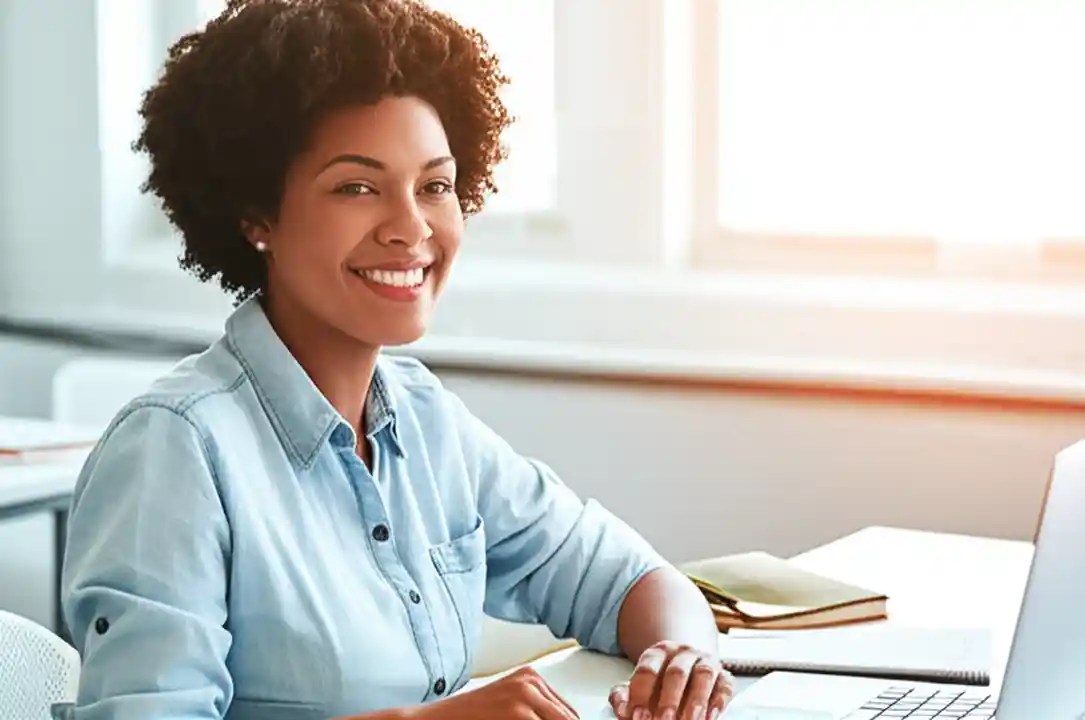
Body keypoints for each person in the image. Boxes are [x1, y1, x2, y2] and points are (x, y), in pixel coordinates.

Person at [59, 1, 734, 718]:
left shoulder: (424, 418)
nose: (412, 228)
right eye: (358, 187)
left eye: (435, 186)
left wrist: (683, 657)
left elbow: (625, 577)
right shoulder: (175, 451)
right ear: (257, 214)